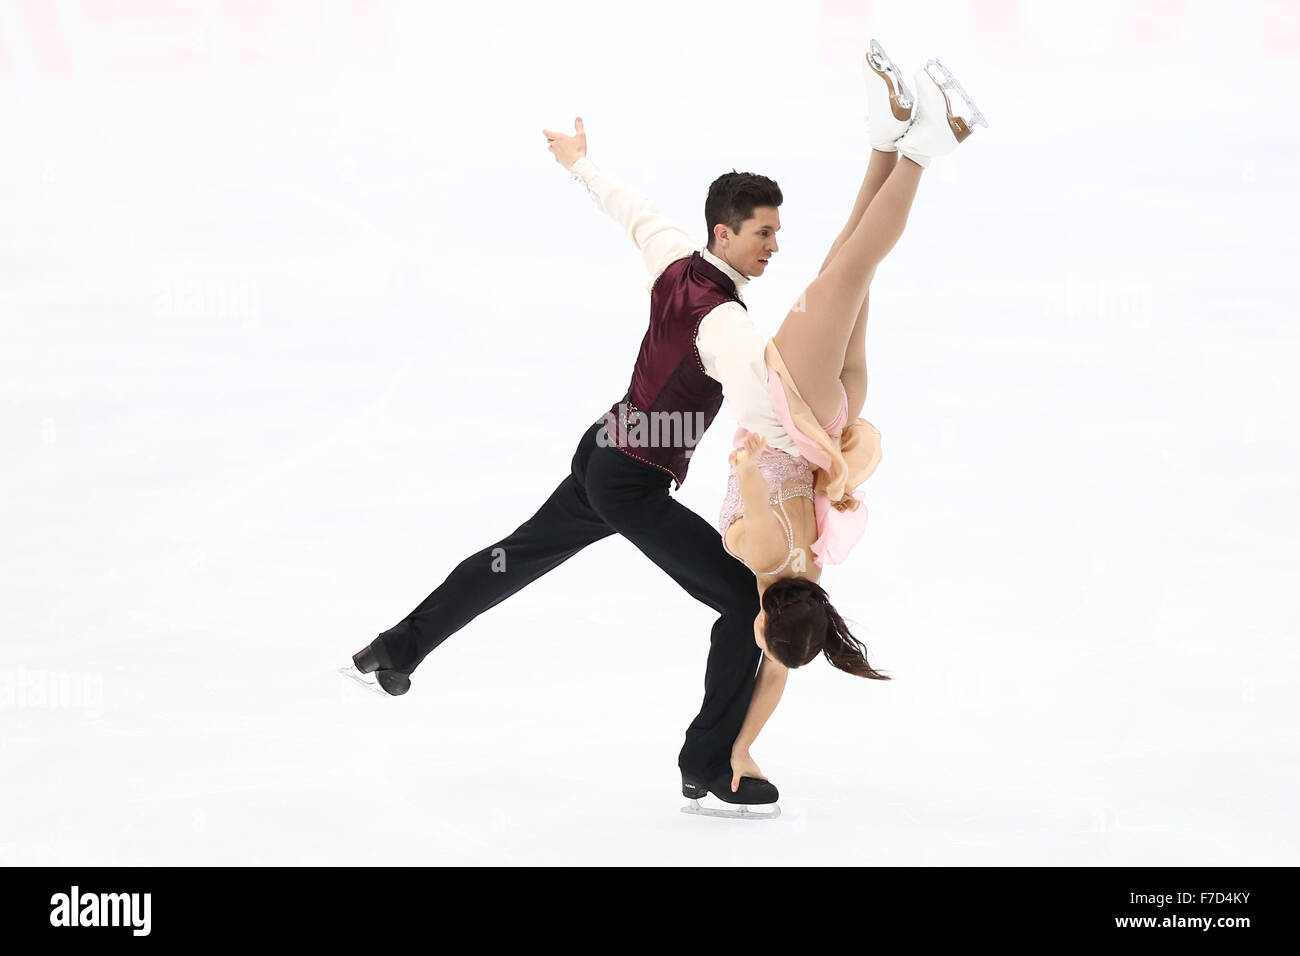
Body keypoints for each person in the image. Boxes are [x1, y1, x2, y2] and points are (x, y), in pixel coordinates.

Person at [348, 115, 793, 808]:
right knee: (741, 602)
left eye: (776, 231)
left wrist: (581, 164)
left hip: (602, 452)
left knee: (514, 556)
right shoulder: (727, 324)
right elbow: (761, 415)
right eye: (763, 232)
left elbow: (633, 210)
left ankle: (396, 647)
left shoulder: (677, 258)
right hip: (631, 482)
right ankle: (709, 763)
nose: (775, 246)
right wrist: (820, 457)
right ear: (724, 234)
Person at [717, 41, 988, 727]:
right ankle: (929, 144)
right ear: (760, 625)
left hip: (836, 413)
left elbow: (776, 677)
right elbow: (748, 468)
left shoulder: (810, 575)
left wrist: (746, 744)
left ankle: (885, 137)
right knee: (852, 264)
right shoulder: (764, 559)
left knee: (847, 266)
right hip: (795, 405)